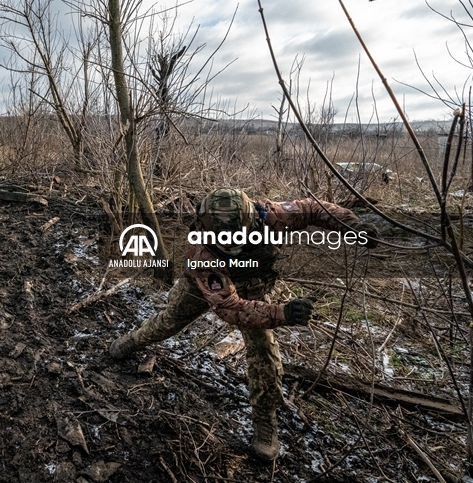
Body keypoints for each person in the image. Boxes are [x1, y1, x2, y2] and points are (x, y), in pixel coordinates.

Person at [109, 188, 378, 461]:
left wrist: (352, 226)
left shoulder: (271, 216)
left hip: (254, 288)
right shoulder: (202, 253)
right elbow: (229, 308)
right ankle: (133, 341)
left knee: (263, 352)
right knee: (167, 323)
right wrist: (282, 313)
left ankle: (265, 419)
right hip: (206, 288)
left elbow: (312, 208)